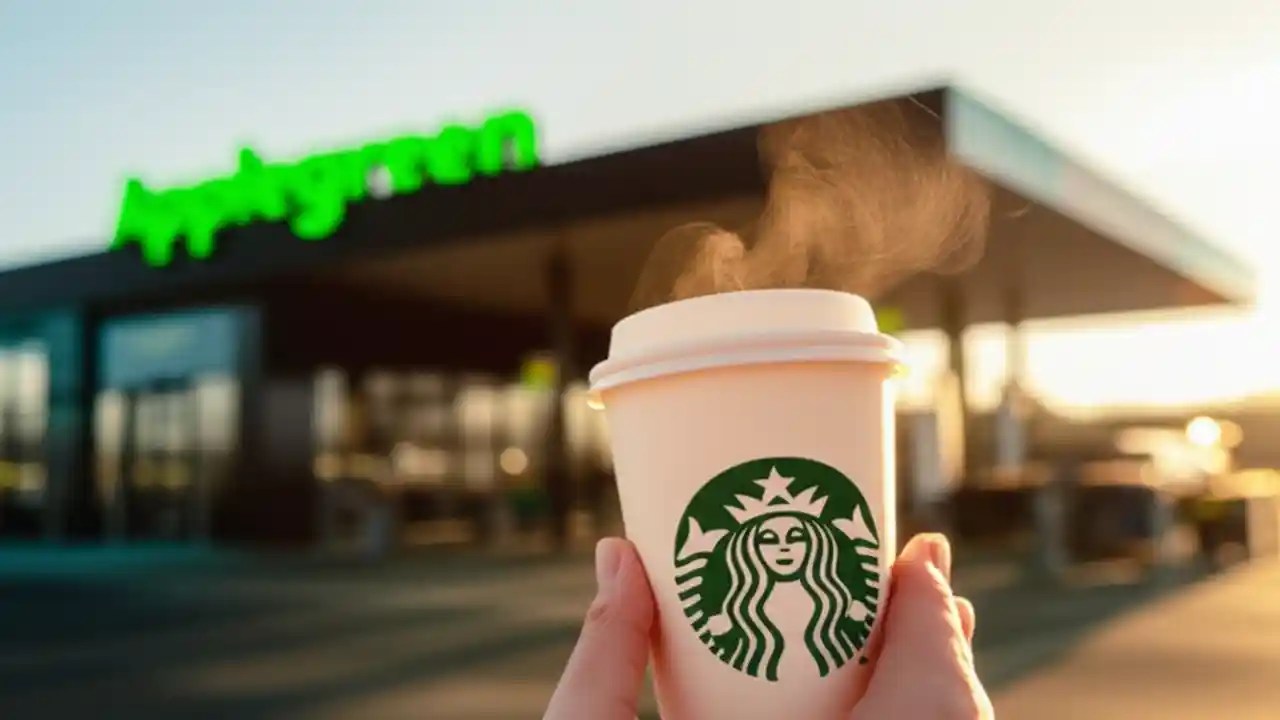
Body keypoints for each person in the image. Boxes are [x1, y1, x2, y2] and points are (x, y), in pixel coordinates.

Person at [545, 533, 993, 719]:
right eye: (768, 538)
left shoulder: (825, 605)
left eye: (796, 537)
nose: (783, 548)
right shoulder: (740, 612)